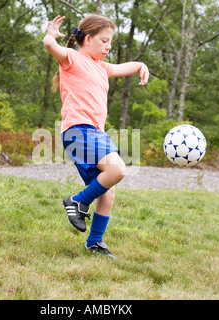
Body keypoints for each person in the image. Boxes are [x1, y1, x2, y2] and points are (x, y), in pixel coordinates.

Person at [43, 14, 149, 259]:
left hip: (92, 133)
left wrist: (141, 66)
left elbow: (128, 67)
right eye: (104, 41)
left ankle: (94, 243)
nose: (109, 46)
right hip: (79, 131)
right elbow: (50, 46)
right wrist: (50, 35)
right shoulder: (72, 59)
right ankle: (77, 201)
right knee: (118, 170)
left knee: (107, 190)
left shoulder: (103, 67)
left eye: (110, 41)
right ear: (87, 39)